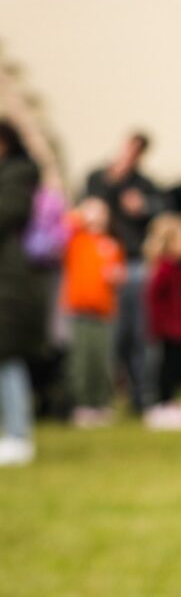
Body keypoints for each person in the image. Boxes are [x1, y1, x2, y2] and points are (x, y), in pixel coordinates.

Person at [85, 131, 164, 415]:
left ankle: (142, 397)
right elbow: (90, 207)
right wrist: (113, 180)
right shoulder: (98, 177)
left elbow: (163, 208)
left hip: (135, 264)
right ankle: (103, 397)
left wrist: (143, 207)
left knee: (141, 336)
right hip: (106, 264)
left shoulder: (144, 184)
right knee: (111, 338)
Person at [0, 121, 46, 465]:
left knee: (7, 355)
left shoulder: (18, 174)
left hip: (8, 279)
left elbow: (10, 212)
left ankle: (18, 434)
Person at [61, 196, 126, 426]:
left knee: (103, 360)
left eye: (101, 212)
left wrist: (117, 276)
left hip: (104, 311)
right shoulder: (75, 239)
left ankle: (101, 404)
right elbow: (65, 224)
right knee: (81, 360)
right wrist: (81, 214)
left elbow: (119, 272)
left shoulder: (111, 244)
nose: (96, 217)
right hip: (78, 310)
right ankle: (82, 404)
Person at [143, 212, 181, 430]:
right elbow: (155, 300)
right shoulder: (165, 269)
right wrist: (160, 326)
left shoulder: (180, 267)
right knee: (166, 366)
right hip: (168, 328)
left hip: (179, 326)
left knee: (175, 365)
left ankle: (171, 401)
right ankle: (164, 403)